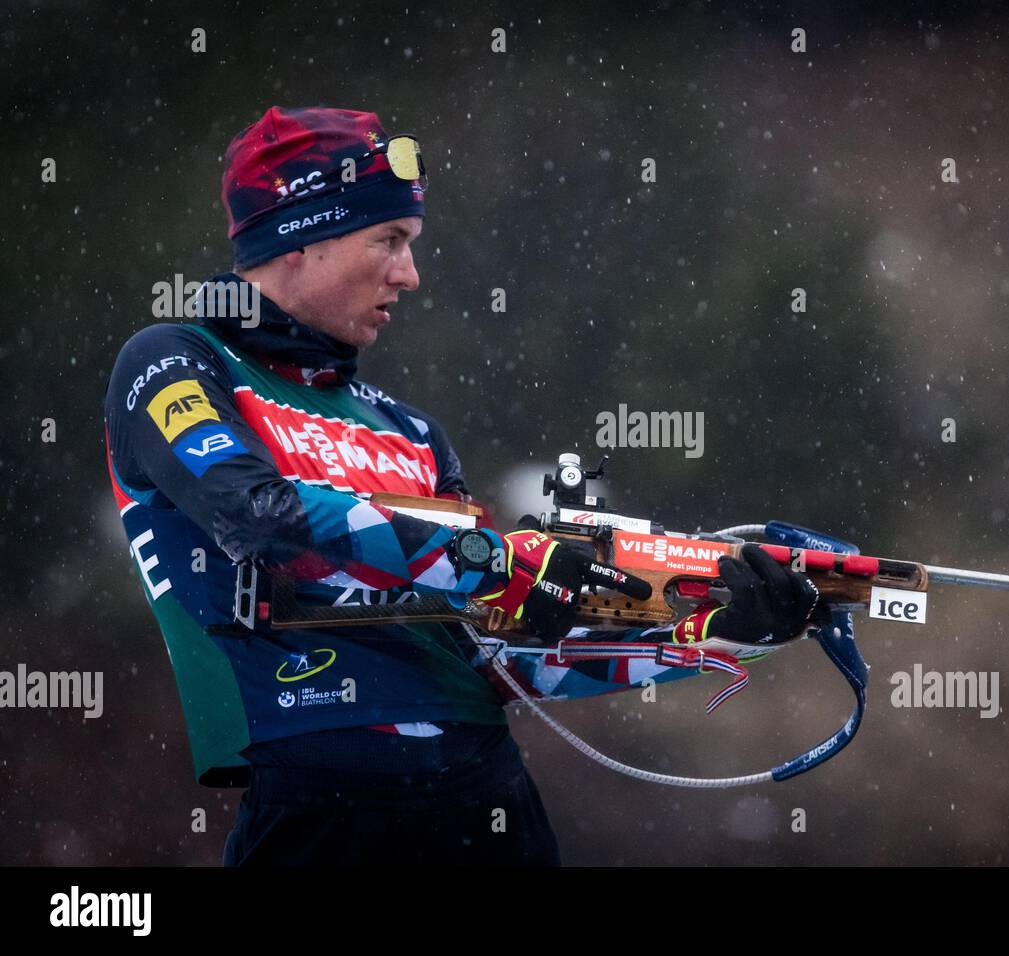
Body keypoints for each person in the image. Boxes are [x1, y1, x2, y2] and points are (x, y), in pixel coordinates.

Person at [104, 105, 820, 866]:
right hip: (319, 799)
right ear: (300, 237)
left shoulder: (409, 431)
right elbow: (258, 514)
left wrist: (709, 624)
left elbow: (504, 655)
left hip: (488, 800)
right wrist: (490, 555)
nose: (409, 274)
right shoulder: (175, 359)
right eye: (390, 240)